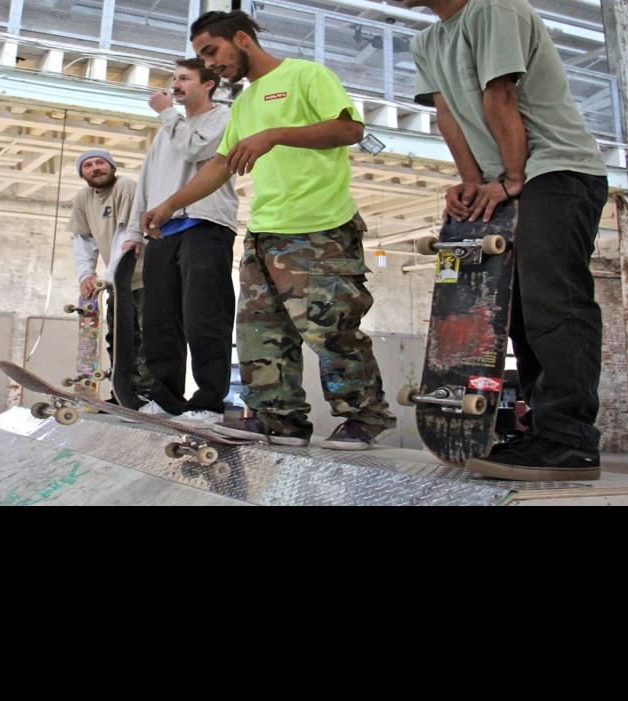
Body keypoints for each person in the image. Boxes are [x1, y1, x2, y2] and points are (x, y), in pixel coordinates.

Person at [143, 11, 394, 451]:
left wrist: (275, 134)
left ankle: (364, 417)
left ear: (242, 39)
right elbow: (221, 164)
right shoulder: (243, 104)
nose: (211, 64)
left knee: (330, 329)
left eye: (212, 51)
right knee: (260, 334)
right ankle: (279, 419)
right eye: (203, 56)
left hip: (319, 227)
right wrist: (170, 205)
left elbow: (350, 128)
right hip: (264, 231)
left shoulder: (306, 75)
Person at [404, 0, 608, 480]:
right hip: (509, 178)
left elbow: (501, 93)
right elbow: (447, 116)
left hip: (556, 169)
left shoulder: (493, 7)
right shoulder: (426, 41)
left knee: (554, 302)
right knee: (514, 313)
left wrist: (513, 177)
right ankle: (543, 429)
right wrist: (473, 182)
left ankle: (570, 439)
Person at [125, 59, 240, 427]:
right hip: (163, 232)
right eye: (173, 78)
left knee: (204, 316)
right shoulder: (166, 130)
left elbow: (196, 150)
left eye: (185, 78)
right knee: (159, 320)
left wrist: (166, 114)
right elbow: (146, 181)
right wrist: (134, 233)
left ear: (208, 85)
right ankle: (166, 397)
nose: (175, 84)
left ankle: (209, 402)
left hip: (205, 225)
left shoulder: (224, 118)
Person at [68, 148, 152, 405]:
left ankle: (148, 396)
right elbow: (82, 239)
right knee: (118, 340)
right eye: (88, 165)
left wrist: (104, 276)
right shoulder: (82, 198)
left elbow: (127, 236)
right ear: (82, 173)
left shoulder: (125, 187)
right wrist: (86, 275)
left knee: (148, 340)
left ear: (113, 166)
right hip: (118, 283)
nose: (95, 168)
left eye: (101, 162)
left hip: (147, 279)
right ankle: (123, 395)